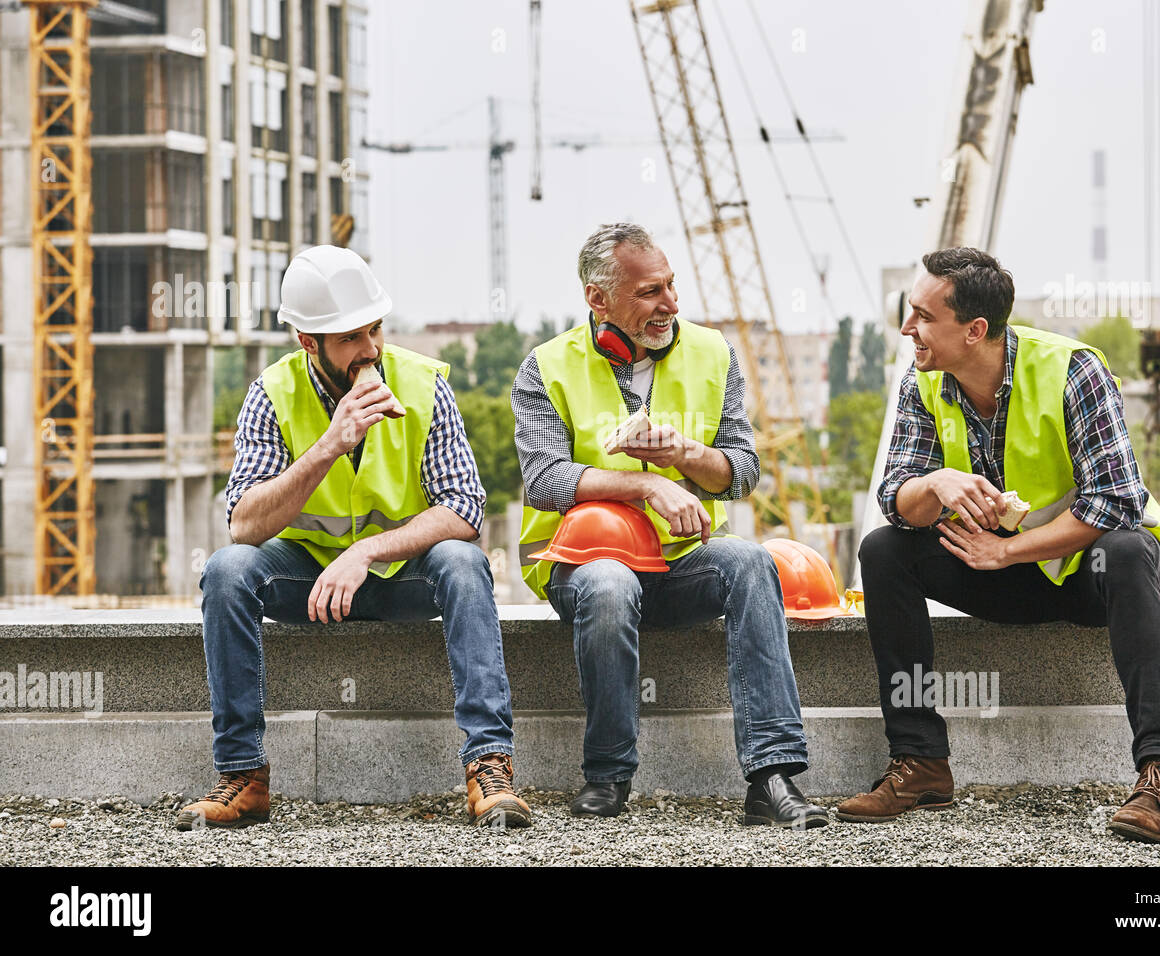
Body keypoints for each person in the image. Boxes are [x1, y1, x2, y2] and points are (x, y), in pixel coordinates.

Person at [840, 247, 1160, 843]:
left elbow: (1115, 502)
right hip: (1000, 570)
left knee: (1128, 550)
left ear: (975, 330)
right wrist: (935, 483)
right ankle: (920, 762)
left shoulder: (1072, 369)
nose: (906, 328)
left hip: (1090, 573)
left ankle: (1158, 775)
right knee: (883, 550)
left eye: (922, 316)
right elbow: (895, 499)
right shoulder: (922, 385)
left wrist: (1006, 550)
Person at [179, 245, 529, 830]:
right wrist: (329, 444)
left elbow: (466, 508)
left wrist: (366, 551)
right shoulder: (272, 393)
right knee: (226, 571)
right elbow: (244, 523)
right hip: (311, 580)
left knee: (464, 561)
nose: (369, 350)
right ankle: (243, 775)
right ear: (307, 342)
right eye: (349, 338)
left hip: (402, 573)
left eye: (374, 330)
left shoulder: (424, 385)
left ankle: (488, 768)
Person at [511, 223, 827, 827]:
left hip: (683, 561)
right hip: (581, 568)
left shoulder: (713, 354)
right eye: (650, 292)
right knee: (609, 586)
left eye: (671, 286)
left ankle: (772, 776)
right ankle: (607, 776)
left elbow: (739, 473)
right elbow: (545, 479)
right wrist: (645, 484)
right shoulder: (546, 368)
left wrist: (683, 456)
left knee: (752, 562)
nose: (670, 304)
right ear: (598, 299)